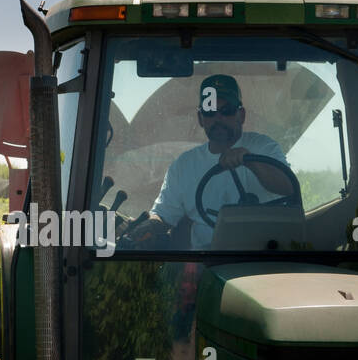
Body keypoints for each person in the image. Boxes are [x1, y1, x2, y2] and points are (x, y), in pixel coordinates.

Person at [125, 74, 294, 250]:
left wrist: (250, 161)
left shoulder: (263, 147)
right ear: (200, 118)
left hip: (266, 256)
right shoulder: (183, 166)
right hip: (205, 265)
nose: (218, 118)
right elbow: (163, 215)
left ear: (241, 115)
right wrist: (150, 226)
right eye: (210, 111)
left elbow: (288, 186)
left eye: (227, 110)